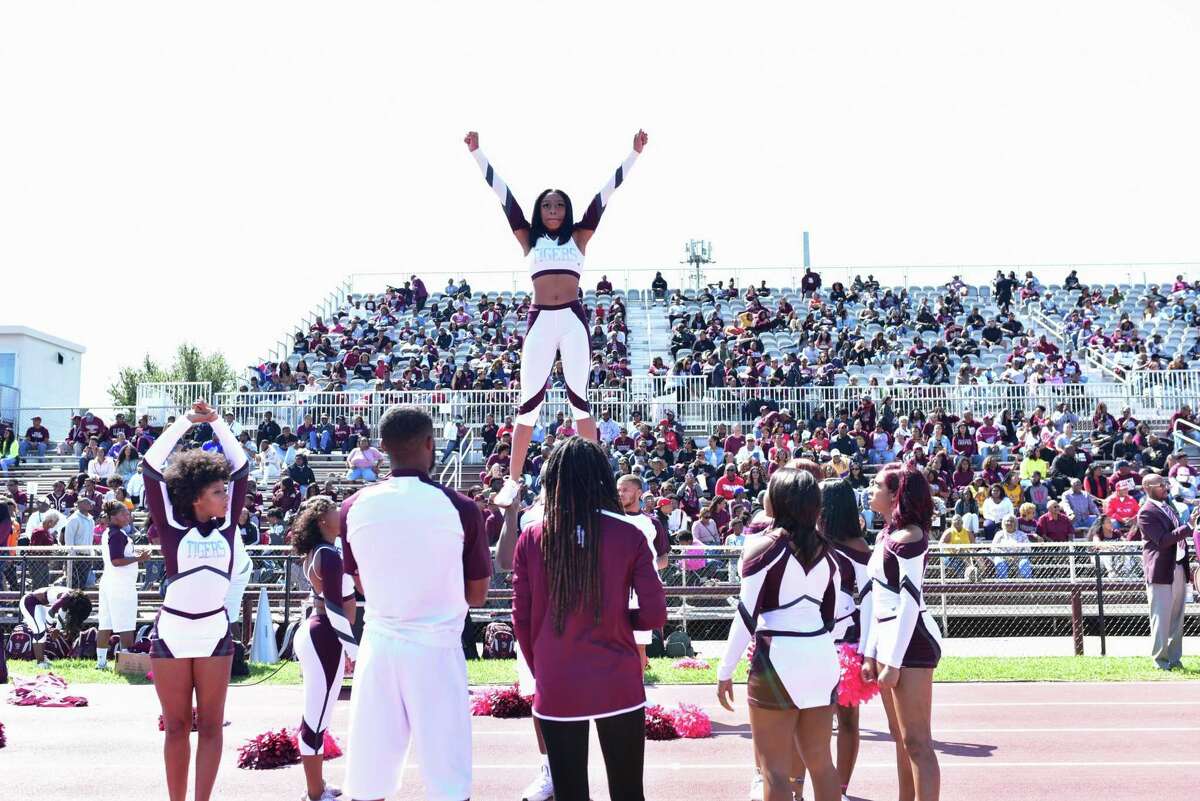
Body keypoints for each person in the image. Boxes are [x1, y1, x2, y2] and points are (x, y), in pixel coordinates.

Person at [467, 128, 649, 506]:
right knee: (527, 403)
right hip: (540, 320)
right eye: (547, 206)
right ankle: (513, 481)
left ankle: (598, 482)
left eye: (559, 206)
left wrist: (633, 154)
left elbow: (606, 194)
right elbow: (504, 197)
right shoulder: (528, 238)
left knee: (579, 401)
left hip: (571, 319)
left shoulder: (579, 237)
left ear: (567, 211)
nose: (553, 211)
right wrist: (477, 152)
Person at [340, 406, 491, 801]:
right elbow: (477, 595)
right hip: (437, 650)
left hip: (380, 644)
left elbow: (357, 581)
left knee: (368, 777)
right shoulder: (461, 508)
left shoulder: (354, 506)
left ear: (382, 448)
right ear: (430, 444)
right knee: (448, 779)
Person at [512, 436, 667, 801]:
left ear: (554, 480)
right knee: (629, 791)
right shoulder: (629, 534)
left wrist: (544, 665)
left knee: (569, 793)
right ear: (603, 477)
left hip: (558, 676)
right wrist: (618, 619)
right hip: (617, 673)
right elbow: (655, 613)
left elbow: (522, 619)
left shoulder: (533, 536)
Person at [143, 400, 249, 801]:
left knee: (210, 726)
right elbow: (152, 468)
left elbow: (240, 467)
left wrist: (218, 423)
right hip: (171, 633)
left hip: (214, 632)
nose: (226, 497)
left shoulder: (224, 530)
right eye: (218, 492)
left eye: (225, 492)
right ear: (195, 498)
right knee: (175, 727)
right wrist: (185, 424)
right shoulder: (171, 528)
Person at [717, 468, 841, 801]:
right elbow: (831, 618)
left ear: (780, 500)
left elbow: (745, 615)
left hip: (778, 656)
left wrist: (724, 670)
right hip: (821, 655)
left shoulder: (760, 547)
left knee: (773, 769)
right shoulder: (829, 553)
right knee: (822, 764)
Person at [859, 463, 942, 801]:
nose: (870, 490)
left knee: (917, 742)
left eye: (876, 485)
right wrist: (870, 653)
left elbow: (909, 604)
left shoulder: (910, 537)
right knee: (901, 738)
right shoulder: (887, 535)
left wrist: (892, 661)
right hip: (891, 640)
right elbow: (879, 601)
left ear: (896, 494)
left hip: (911, 642)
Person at [292, 496, 359, 801]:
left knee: (319, 717)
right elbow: (333, 607)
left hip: (321, 634)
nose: (340, 513)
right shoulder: (328, 555)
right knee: (316, 719)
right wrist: (352, 650)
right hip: (325, 636)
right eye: (334, 510)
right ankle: (314, 792)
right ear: (321, 520)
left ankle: (317, 786)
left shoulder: (327, 551)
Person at [821, 478, 873, 800]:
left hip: (847, 642)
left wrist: (867, 650)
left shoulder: (859, 549)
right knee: (814, 719)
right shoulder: (812, 541)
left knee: (847, 718)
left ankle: (839, 788)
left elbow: (868, 602)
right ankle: (815, 784)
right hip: (814, 639)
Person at [1137, 474, 1193, 670]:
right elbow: (1162, 540)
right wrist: (1189, 527)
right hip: (1161, 571)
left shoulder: (1168, 507)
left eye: (1165, 484)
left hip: (1177, 567)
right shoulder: (1146, 512)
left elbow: (1180, 536)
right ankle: (1160, 661)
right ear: (1147, 487)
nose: (1165, 487)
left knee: (1177, 617)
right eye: (1160, 485)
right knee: (1161, 617)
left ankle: (1174, 659)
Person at [96, 499, 149, 669]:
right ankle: (129, 664)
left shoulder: (110, 532)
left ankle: (101, 663)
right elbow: (116, 560)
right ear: (113, 517)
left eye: (128, 512)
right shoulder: (117, 534)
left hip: (110, 582)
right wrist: (138, 558)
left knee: (105, 624)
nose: (128, 516)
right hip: (120, 585)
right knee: (126, 624)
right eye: (123, 513)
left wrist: (134, 556)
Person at [20, 585, 92, 668]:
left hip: (40, 605)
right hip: (30, 602)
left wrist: (57, 629)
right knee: (40, 630)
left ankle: (42, 659)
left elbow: (62, 612)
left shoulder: (71, 598)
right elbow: (52, 611)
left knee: (42, 632)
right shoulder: (67, 597)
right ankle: (39, 663)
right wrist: (48, 627)